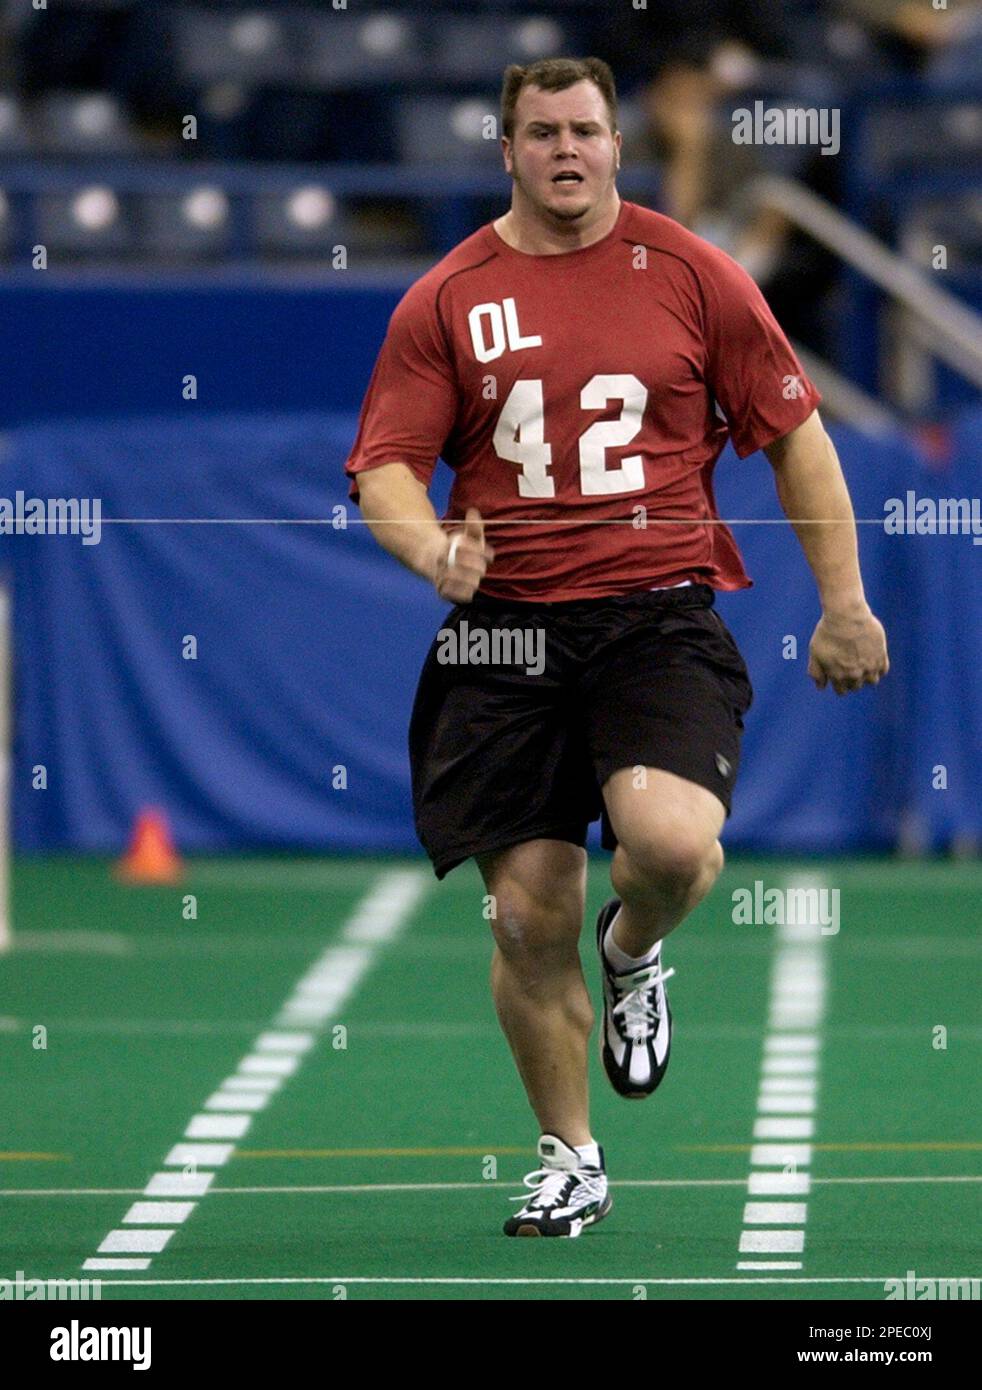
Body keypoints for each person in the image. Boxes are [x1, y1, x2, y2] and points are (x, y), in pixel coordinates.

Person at [345, 57, 889, 1239]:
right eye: (541, 133)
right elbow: (383, 465)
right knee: (527, 917)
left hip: (653, 616)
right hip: (503, 635)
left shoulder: (692, 272)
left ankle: (635, 952)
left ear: (615, 142)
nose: (566, 151)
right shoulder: (446, 296)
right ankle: (571, 1153)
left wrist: (842, 601)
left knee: (670, 842)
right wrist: (432, 553)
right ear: (507, 150)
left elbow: (795, 434)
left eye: (585, 129)